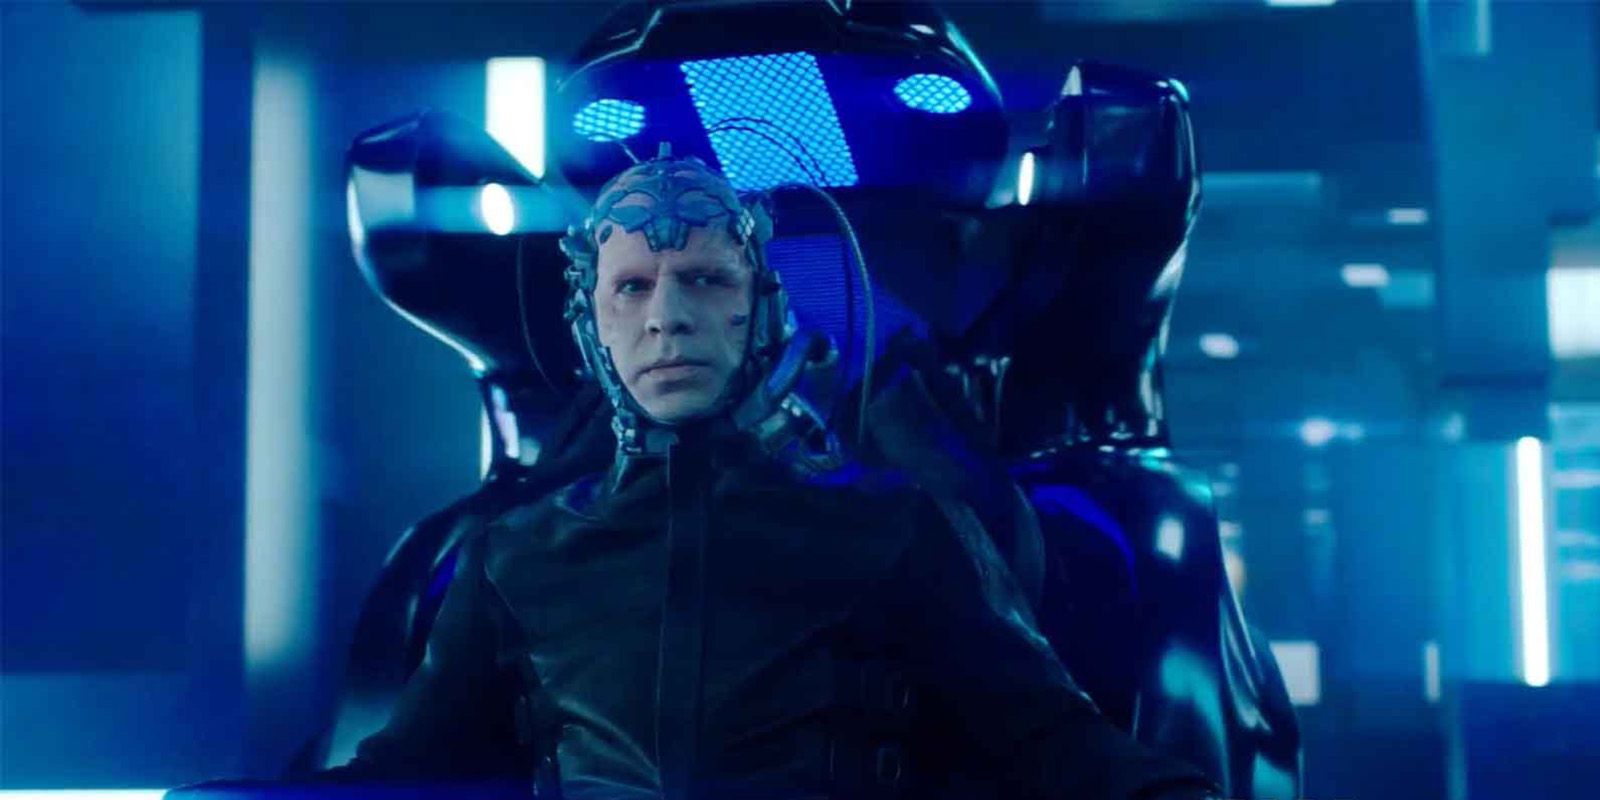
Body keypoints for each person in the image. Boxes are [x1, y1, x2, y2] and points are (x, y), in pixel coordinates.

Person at [318, 153, 1221, 800]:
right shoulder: (513, 555)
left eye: (705, 279)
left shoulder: (893, 529)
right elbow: (402, 773)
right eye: (632, 286)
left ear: (763, 309)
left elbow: (1056, 743)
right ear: (593, 326)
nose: (668, 316)